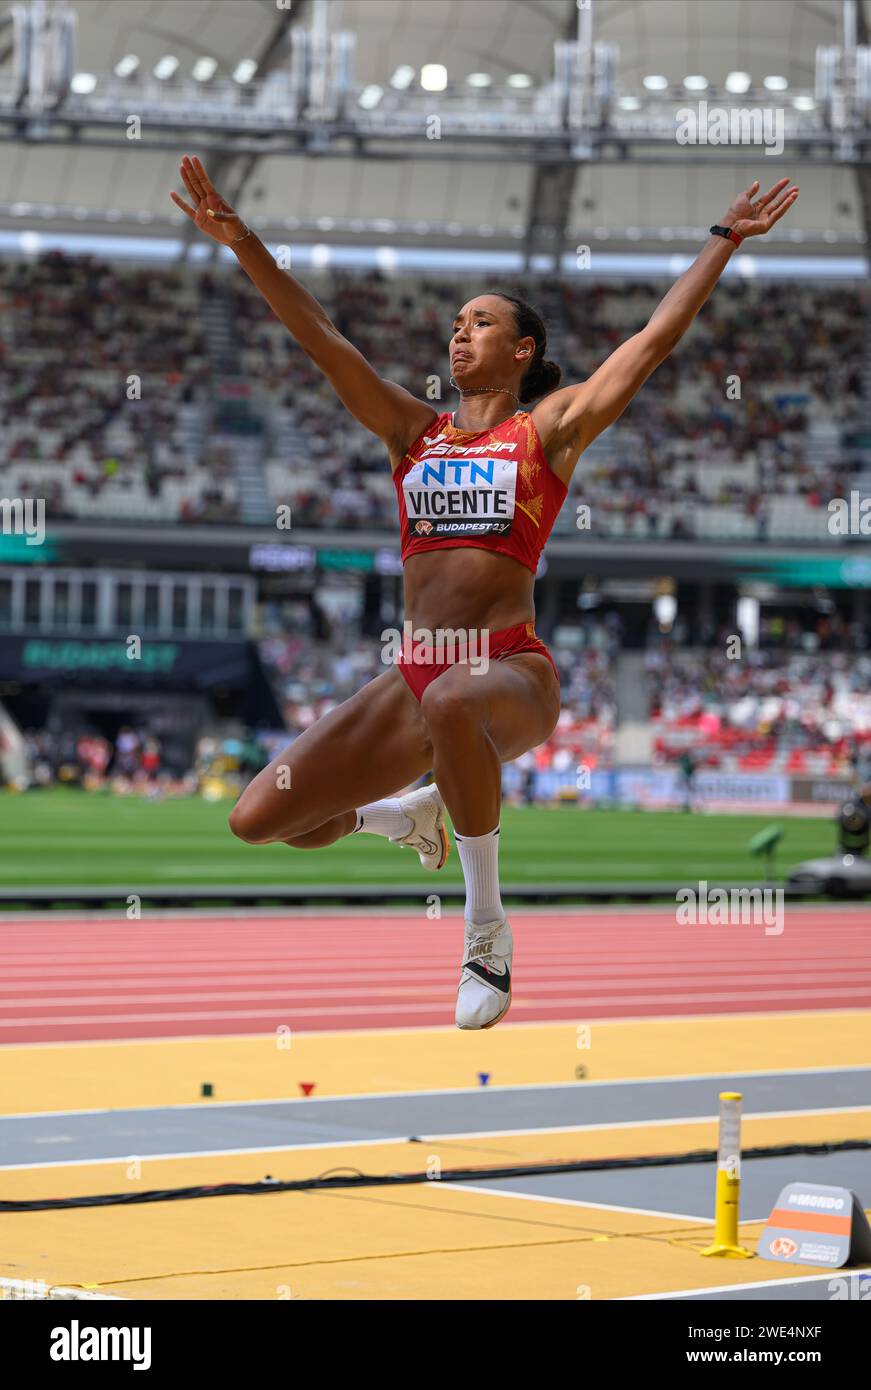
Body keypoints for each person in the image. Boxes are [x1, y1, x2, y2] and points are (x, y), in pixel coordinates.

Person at [171, 155, 798, 1030]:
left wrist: (722, 240)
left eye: (481, 323)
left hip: (508, 673)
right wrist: (246, 247)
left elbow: (650, 342)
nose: (459, 335)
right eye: (456, 324)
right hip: (415, 681)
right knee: (261, 819)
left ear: (523, 348)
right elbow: (322, 339)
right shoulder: (410, 430)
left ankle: (485, 930)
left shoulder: (548, 430)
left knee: (460, 698)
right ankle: (404, 820)